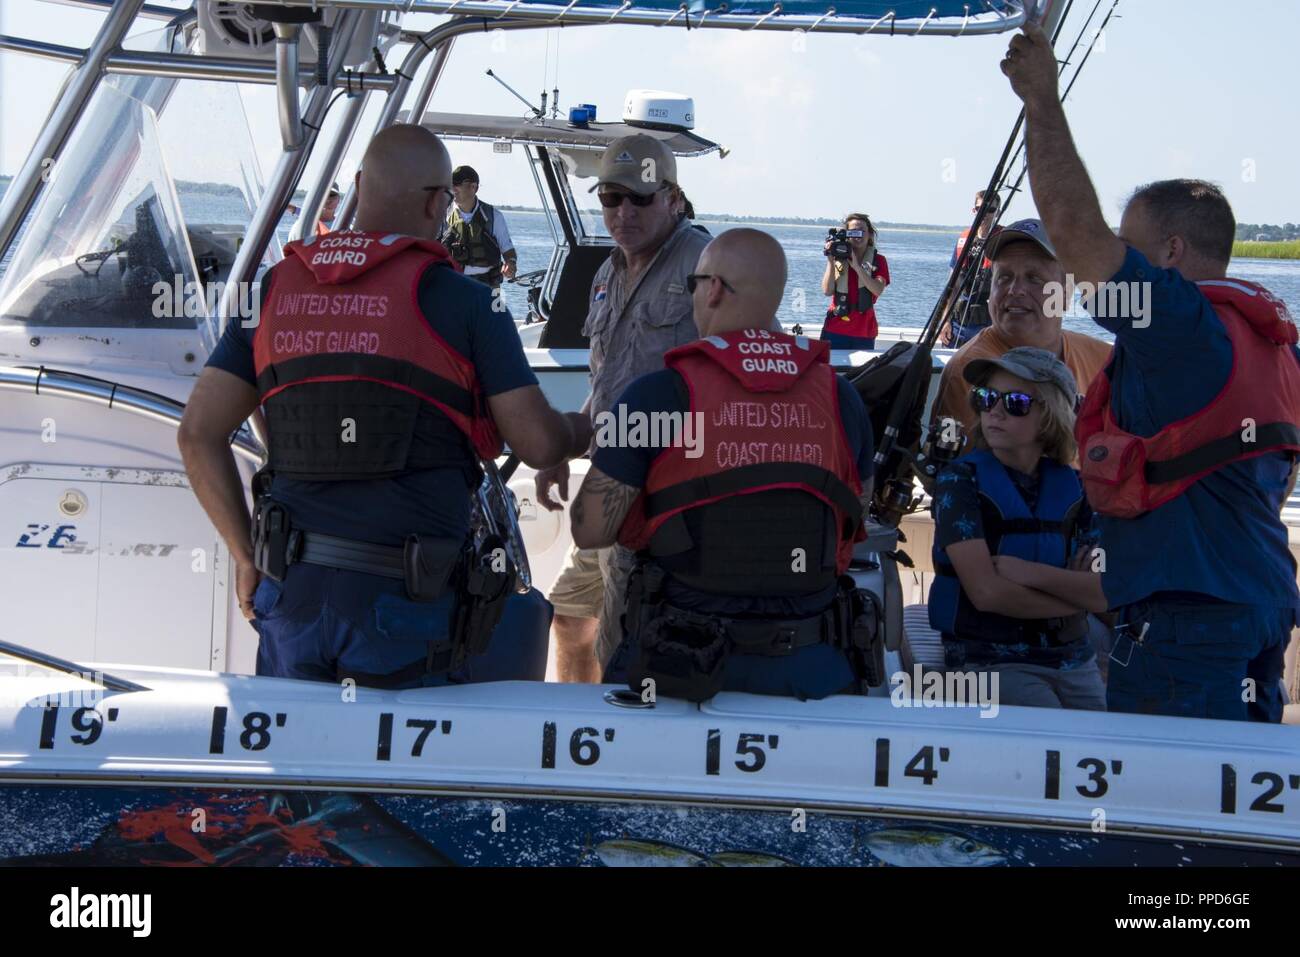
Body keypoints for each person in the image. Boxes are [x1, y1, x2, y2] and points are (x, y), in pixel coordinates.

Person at [178, 124, 592, 689]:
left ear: (357, 186)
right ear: (434, 201)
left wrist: (246, 554)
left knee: (296, 760)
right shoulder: (469, 302)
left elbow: (198, 434)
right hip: (405, 608)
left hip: (291, 592)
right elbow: (538, 444)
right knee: (396, 767)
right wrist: (585, 428)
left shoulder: (275, 288)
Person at [1001, 23, 1300, 721]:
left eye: (1129, 246)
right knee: (1221, 799)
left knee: (1167, 806)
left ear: (1168, 252)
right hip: (1252, 603)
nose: (1114, 257)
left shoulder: (1181, 331)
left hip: (1187, 623)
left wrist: (1041, 102)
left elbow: (1077, 240)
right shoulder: (1271, 345)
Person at [567, 229, 877, 701]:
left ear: (712, 289)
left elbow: (590, 530)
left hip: (677, 667)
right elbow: (856, 515)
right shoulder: (842, 398)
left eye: (695, 282)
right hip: (814, 670)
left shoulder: (656, 396)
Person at [536, 134, 709, 681]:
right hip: (609, 479)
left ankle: (604, 747)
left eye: (641, 197)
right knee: (569, 617)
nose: (624, 211)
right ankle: (571, 739)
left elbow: (739, 368)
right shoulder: (607, 273)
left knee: (624, 639)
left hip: (667, 492)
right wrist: (563, 446)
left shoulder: (705, 264)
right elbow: (606, 379)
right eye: (612, 198)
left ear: (673, 199)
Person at [930, 347, 1107, 710]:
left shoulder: (1078, 489)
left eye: (1015, 402)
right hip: (987, 662)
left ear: (1050, 415)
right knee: (1055, 740)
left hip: (1074, 660)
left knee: (1102, 749)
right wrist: (1073, 601)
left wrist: (1026, 572)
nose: (994, 410)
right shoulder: (959, 482)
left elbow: (1104, 593)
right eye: (986, 398)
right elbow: (987, 593)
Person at [929, 218, 1112, 449]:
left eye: (1034, 278)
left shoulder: (1106, 360)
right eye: (1004, 277)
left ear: (1066, 294)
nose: (1015, 290)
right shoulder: (967, 371)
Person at [938, 190, 1002, 347]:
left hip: (988, 325)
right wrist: (945, 320)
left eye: (990, 210)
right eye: (980, 209)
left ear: (998, 212)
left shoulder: (1003, 239)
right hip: (958, 323)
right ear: (974, 210)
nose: (985, 214)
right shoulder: (963, 240)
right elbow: (952, 286)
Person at [818, 213, 889, 350]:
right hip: (835, 328)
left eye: (862, 231)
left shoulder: (879, 260)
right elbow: (827, 291)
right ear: (847, 235)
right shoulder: (838, 259)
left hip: (864, 331)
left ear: (870, 235)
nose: (858, 236)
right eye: (854, 232)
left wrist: (856, 266)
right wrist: (830, 261)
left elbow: (878, 289)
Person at [444, 165, 517, 288]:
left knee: (494, 308)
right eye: (451, 184)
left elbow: (507, 249)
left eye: (458, 184)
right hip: (454, 282)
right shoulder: (443, 214)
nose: (453, 188)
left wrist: (511, 263)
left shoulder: (494, 216)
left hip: (489, 285)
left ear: (474, 187)